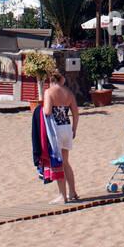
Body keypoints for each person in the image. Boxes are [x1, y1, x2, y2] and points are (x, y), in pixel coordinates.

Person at [39, 72, 79, 203]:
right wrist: (74, 128)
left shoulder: (49, 92)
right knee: (66, 161)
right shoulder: (68, 92)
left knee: (58, 162)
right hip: (67, 126)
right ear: (62, 79)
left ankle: (63, 195)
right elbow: (75, 112)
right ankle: (72, 191)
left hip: (55, 129)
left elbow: (47, 111)